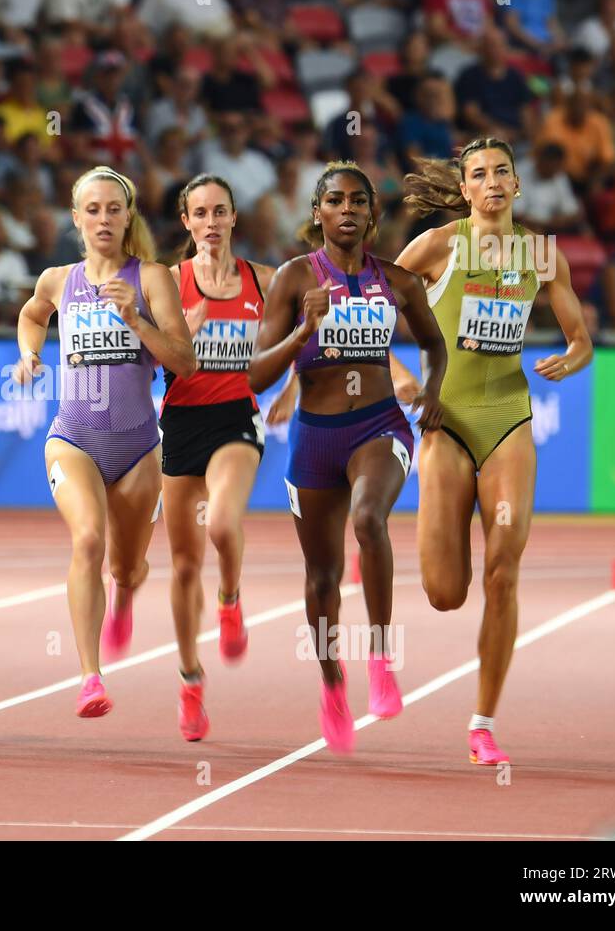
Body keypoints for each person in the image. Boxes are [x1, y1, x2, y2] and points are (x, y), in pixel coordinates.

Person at [397, 136, 593, 765]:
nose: (493, 182)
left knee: (503, 570)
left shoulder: (541, 254)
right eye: (479, 174)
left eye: (503, 171)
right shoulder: (438, 247)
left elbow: (581, 338)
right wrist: (402, 377)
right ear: (465, 189)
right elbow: (375, 303)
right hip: (446, 423)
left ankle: (482, 722)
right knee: (446, 592)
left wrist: (572, 358)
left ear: (517, 183)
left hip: (508, 419)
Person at [249, 162, 447, 754]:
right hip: (315, 436)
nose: (348, 209)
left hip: (379, 426)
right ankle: (333, 679)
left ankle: (382, 658)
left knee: (369, 519)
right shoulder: (291, 279)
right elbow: (255, 375)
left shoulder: (398, 281)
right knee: (322, 577)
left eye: (359, 200)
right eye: (335, 200)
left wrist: (432, 391)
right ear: (318, 214)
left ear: (373, 215)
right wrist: (301, 329)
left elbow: (434, 343)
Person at [14, 166, 196, 717]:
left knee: (128, 565)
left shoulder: (152, 278)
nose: (103, 219)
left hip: (139, 444)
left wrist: (136, 319)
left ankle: (124, 589)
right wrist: (29, 353)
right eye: (92, 209)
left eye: (113, 209)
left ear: (127, 216)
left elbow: (184, 363)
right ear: (76, 218)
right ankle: (91, 676)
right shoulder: (57, 279)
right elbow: (31, 312)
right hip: (73, 437)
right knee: (88, 539)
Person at [159, 174, 277, 741]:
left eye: (220, 212)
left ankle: (230, 599)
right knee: (182, 566)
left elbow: (305, 335)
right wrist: (179, 337)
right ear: (186, 222)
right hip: (181, 424)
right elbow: (144, 357)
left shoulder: (264, 280)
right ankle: (189, 679)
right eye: (199, 213)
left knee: (223, 525)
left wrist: (297, 387)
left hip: (235, 418)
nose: (210, 222)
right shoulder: (168, 282)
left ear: (234, 219)